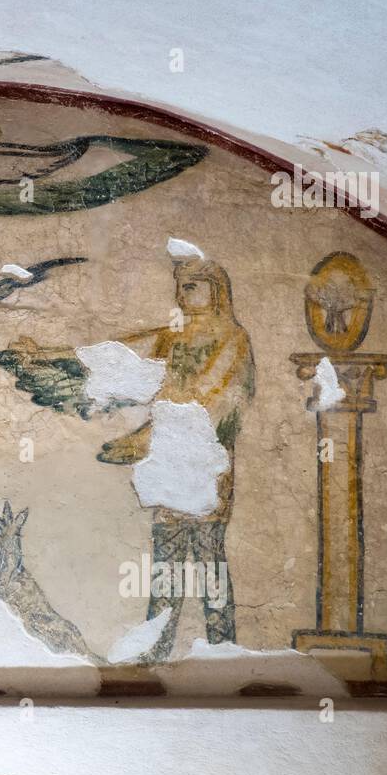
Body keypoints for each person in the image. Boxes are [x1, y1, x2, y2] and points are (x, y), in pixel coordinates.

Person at [98, 251, 255, 662]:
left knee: (209, 559)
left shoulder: (231, 338)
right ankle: (156, 647)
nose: (182, 294)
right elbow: (137, 361)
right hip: (167, 464)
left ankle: (222, 648)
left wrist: (145, 438)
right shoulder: (173, 335)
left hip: (205, 464)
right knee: (167, 560)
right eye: (179, 286)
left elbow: (211, 399)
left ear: (215, 290)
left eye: (191, 285)